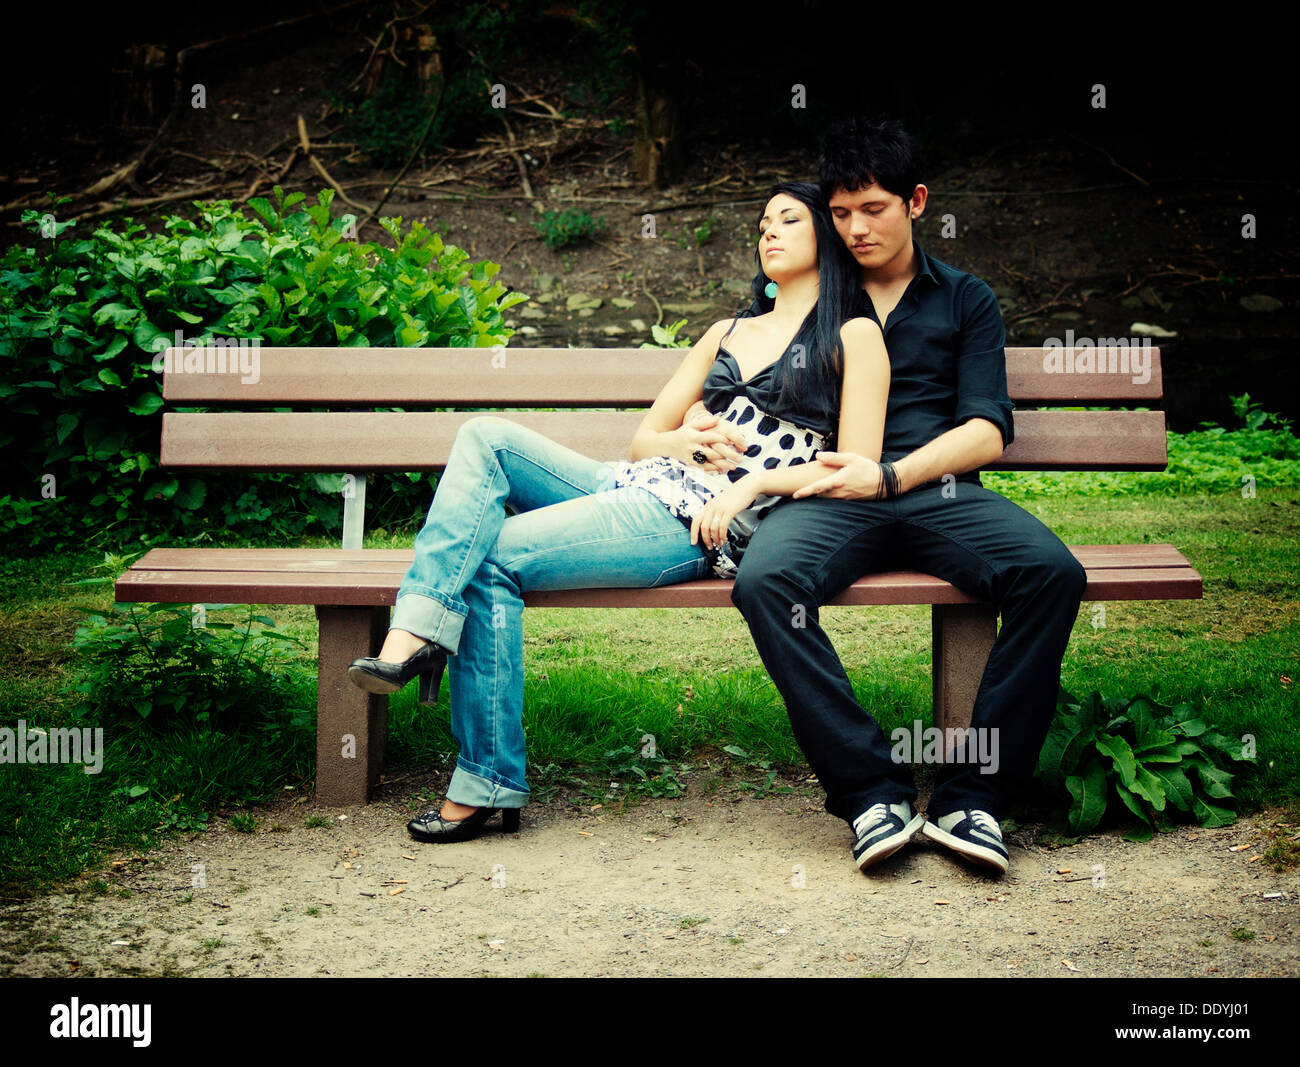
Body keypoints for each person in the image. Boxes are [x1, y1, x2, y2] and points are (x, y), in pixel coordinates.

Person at [346, 181, 889, 844]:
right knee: (485, 435)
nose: (768, 231)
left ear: (825, 241)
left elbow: (857, 463)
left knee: (491, 558)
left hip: (689, 521)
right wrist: (684, 438)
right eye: (763, 222)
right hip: (636, 481)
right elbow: (643, 439)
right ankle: (416, 632)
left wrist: (751, 486)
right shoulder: (727, 330)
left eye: (788, 219)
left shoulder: (854, 333)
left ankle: (482, 775)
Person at [727, 119, 1088, 876]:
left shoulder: (964, 299)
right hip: (826, 493)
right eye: (841, 212)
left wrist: (891, 475)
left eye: (874, 208)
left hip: (937, 491)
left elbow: (987, 429)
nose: (855, 228)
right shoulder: (817, 297)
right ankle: (869, 792)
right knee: (765, 581)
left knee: (1051, 572)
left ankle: (974, 799)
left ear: (917, 201)